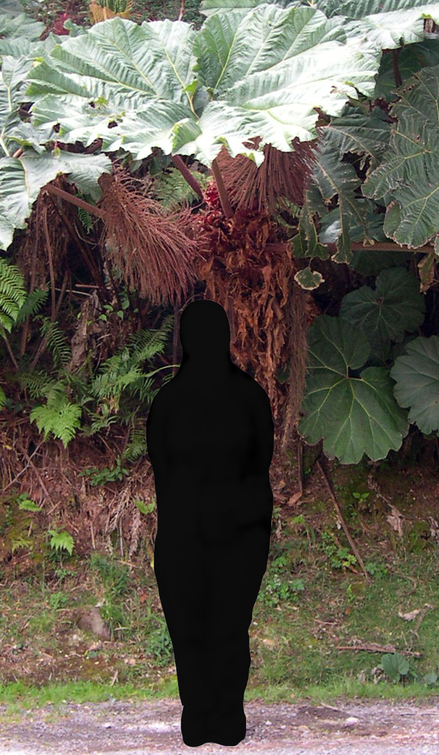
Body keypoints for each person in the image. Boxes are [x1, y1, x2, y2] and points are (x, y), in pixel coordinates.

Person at [146, 299, 274, 747]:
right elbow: (261, 468)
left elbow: (161, 469)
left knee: (195, 630)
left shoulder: (166, 403)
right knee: (226, 629)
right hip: (238, 534)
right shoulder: (252, 398)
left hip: (188, 537)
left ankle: (202, 718)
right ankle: (221, 717)